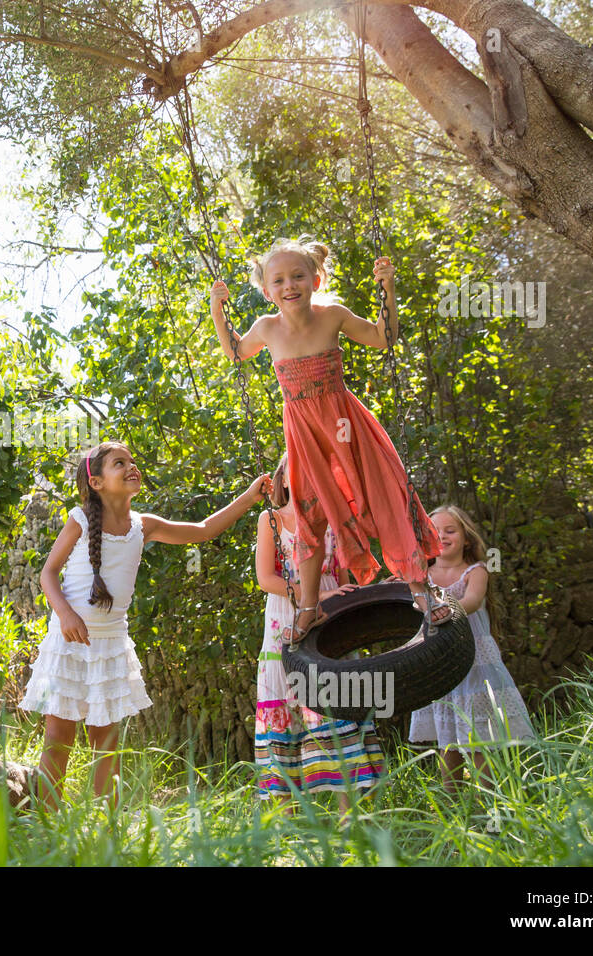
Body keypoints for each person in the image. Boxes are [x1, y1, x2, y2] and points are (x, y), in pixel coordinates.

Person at [209, 235, 447, 644]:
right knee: (309, 514)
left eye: (298, 276)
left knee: (386, 493)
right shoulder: (266, 328)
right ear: (267, 291)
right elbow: (234, 351)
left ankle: (420, 590)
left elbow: (382, 337)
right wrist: (218, 308)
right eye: (279, 280)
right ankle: (308, 606)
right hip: (305, 435)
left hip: (347, 425)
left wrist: (388, 290)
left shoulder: (332, 315)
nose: (290, 286)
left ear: (315, 280)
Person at [20, 440, 265, 811]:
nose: (131, 467)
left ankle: (108, 825)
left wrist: (249, 497)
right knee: (59, 736)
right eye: (120, 463)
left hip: (110, 645)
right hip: (69, 643)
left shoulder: (143, 525)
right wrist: (66, 614)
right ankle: (45, 822)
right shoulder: (81, 520)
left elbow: (202, 529)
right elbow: (48, 573)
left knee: (107, 742)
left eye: (132, 461)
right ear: (97, 482)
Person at [254, 454, 382, 814]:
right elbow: (267, 579)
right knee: (284, 708)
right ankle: (287, 819)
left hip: (329, 622)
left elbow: (344, 582)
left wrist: (358, 597)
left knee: (336, 706)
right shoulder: (272, 520)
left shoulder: (334, 524)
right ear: (284, 479)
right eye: (300, 472)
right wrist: (316, 594)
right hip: (285, 618)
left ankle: (348, 816)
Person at [409, 504, 535, 792]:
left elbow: (473, 601)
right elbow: (414, 598)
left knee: (480, 739)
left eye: (450, 531)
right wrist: (410, 586)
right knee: (449, 741)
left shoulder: (476, 571)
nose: (442, 536)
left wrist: (443, 610)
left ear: (466, 538)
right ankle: (451, 805)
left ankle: (488, 801)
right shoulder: (422, 577)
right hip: (441, 663)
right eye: (434, 531)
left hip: (475, 662)